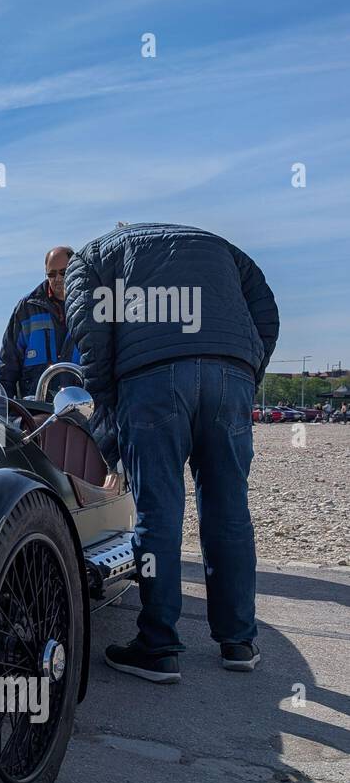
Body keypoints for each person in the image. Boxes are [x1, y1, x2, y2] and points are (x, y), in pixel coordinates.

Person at [66, 223, 279, 683]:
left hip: (152, 379)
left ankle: (158, 646)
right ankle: (239, 640)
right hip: (230, 371)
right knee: (229, 510)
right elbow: (265, 311)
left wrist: (107, 411)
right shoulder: (222, 245)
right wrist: (245, 370)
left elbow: (92, 339)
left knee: (158, 513)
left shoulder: (90, 258)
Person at [0, 246, 81, 399]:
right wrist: (3, 409)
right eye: (51, 274)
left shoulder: (91, 307)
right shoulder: (26, 309)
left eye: (63, 272)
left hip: (83, 409)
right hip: (37, 409)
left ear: (75, 269)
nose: (58, 279)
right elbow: (7, 365)